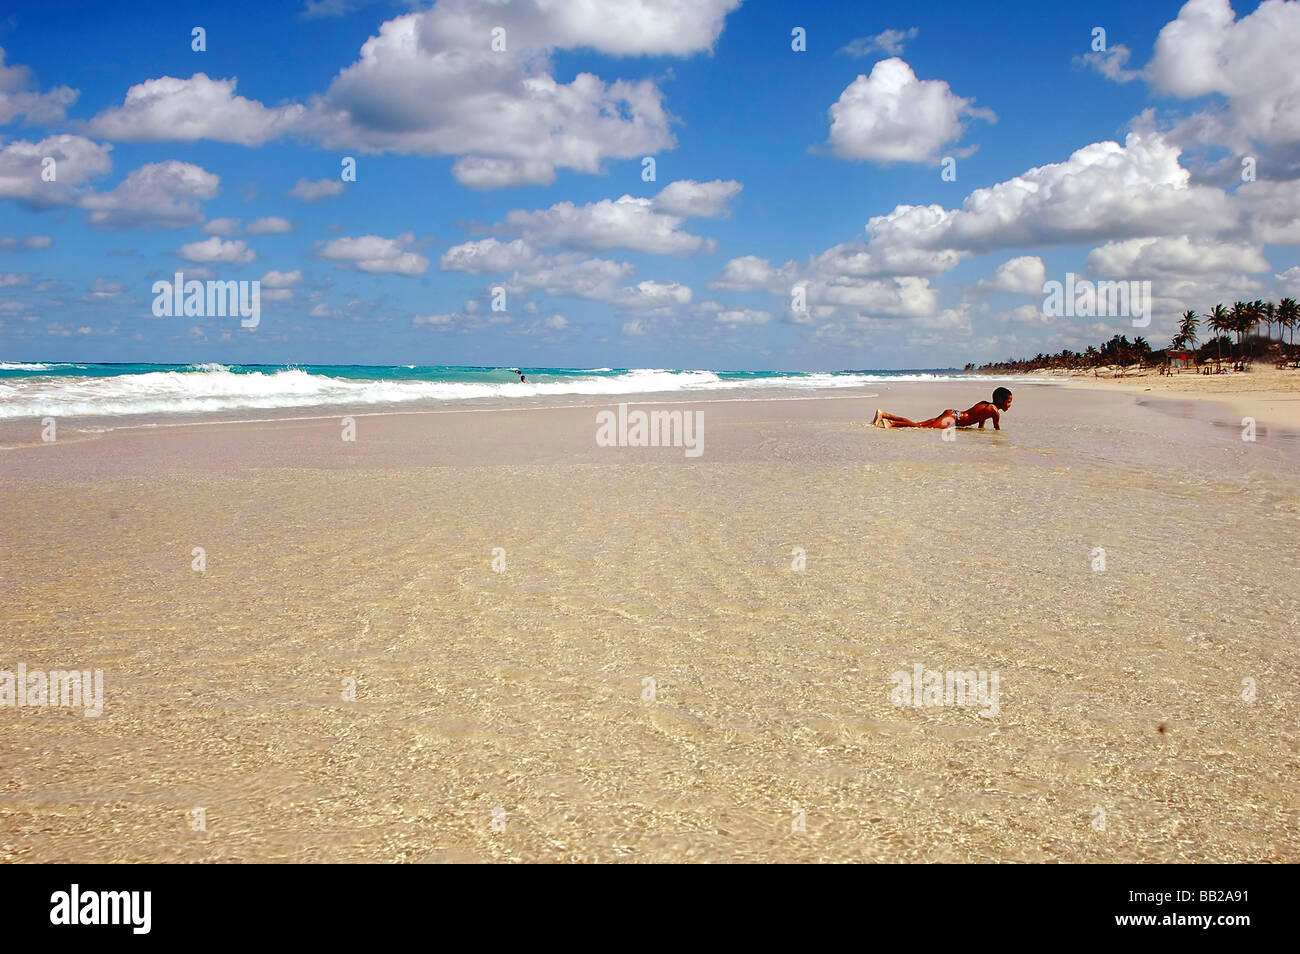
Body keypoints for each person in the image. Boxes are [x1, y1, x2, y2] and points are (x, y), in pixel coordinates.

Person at [872, 387, 1012, 430]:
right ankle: (891, 423)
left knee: (920, 424)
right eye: (1009, 402)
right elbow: (997, 430)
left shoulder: (986, 404)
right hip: (953, 419)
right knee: (922, 427)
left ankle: (884, 415)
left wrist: (979, 432)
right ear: (1000, 400)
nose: (1010, 405)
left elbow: (980, 422)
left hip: (953, 414)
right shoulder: (994, 412)